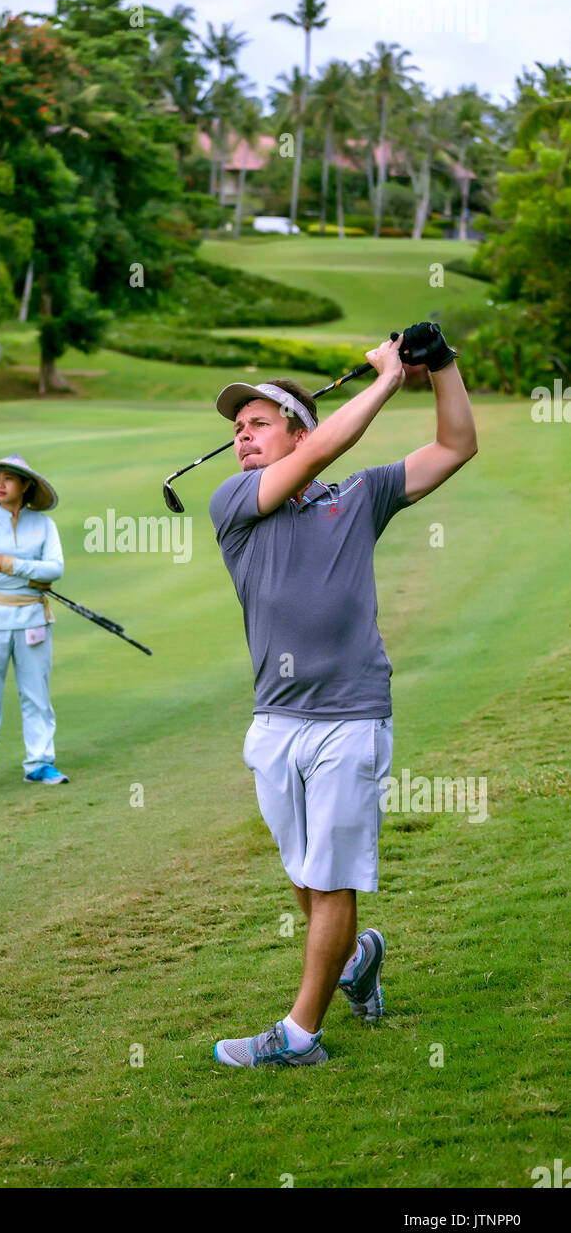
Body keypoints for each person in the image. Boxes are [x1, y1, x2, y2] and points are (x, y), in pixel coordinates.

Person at [209, 332, 477, 1067]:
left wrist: (441, 365)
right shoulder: (234, 502)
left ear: (298, 426)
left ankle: (299, 1036)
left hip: (351, 717)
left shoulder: (359, 498)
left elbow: (455, 445)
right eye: (236, 430)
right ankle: (357, 958)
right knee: (303, 871)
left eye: (259, 424)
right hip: (274, 721)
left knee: (328, 879)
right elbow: (319, 454)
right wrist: (388, 378)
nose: (242, 439)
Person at [0, 454, 68, 789]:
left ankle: (40, 762)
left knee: (36, 693)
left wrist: (9, 564)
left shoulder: (44, 525)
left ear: (25, 485)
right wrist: (31, 574)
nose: (0, 485)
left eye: (8, 478)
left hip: (33, 619)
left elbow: (56, 569)